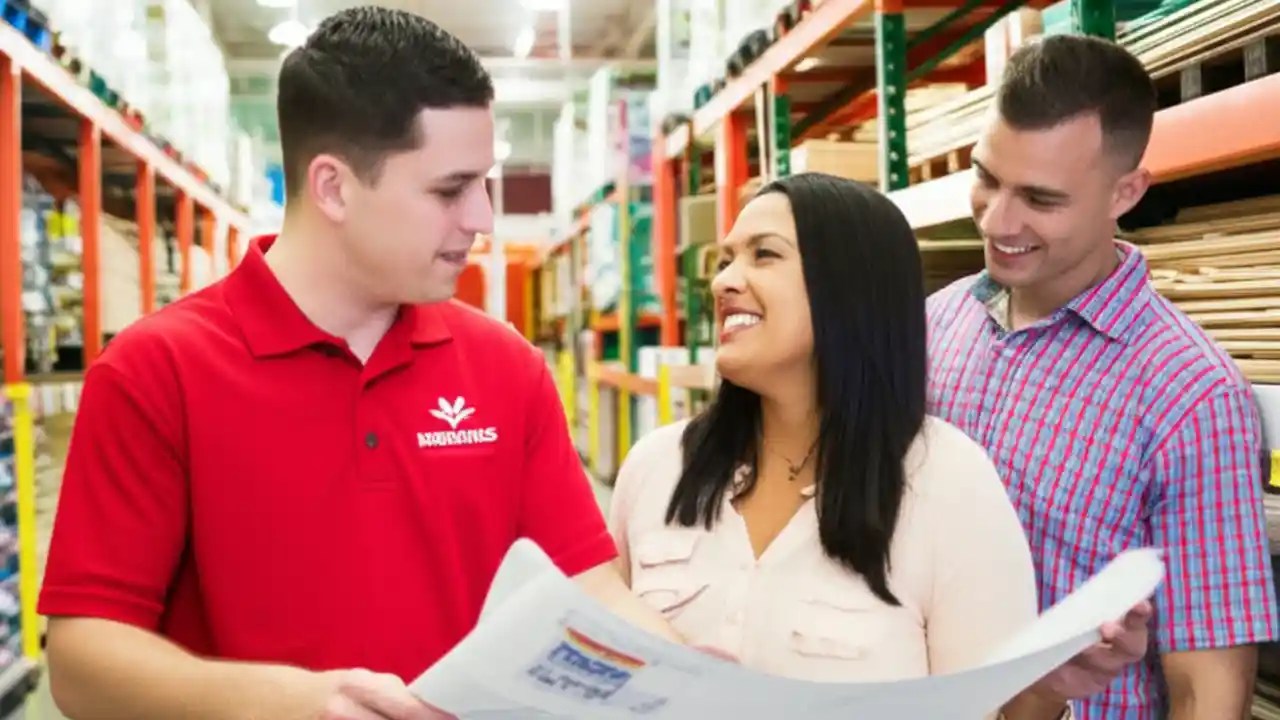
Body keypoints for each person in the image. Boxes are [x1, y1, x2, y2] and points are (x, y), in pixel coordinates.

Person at [37, 7, 675, 720]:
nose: (483, 218)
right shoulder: (156, 373)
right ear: (334, 187)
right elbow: (83, 660)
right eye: (449, 189)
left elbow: (588, 583)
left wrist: (686, 667)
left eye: (483, 183)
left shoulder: (506, 369)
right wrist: (285, 701)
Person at [609, 171, 1152, 720]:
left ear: (848, 288)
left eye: (764, 256)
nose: (726, 280)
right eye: (726, 259)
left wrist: (1047, 690)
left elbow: (996, 710)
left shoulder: (947, 482)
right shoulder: (657, 469)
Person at [927, 34, 1278, 719]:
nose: (999, 221)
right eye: (987, 178)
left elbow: (1207, 690)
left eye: (1040, 198)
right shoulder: (933, 327)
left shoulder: (1189, 396)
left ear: (1127, 192)